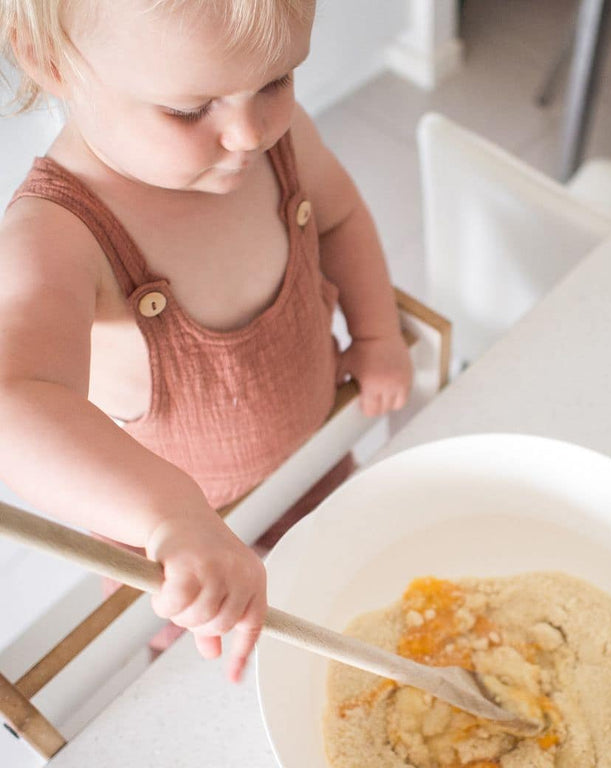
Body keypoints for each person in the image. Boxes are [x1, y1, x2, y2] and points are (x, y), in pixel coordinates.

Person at [0, 0, 412, 684]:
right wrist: (169, 516)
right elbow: (15, 402)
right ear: (51, 62)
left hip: (314, 468)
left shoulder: (281, 144)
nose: (249, 134)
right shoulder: (58, 238)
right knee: (225, 681)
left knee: (352, 606)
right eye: (189, 111)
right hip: (188, 558)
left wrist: (375, 332)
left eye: (276, 82)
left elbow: (339, 219)